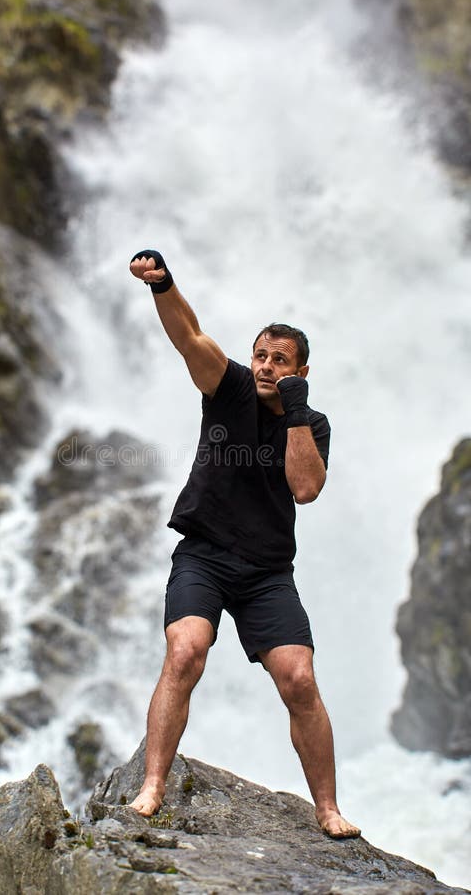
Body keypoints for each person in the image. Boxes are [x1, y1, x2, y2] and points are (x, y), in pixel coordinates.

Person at [127, 249, 360, 840]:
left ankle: (328, 809)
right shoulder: (227, 388)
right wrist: (163, 285)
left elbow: (306, 488)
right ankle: (152, 786)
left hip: (265, 573)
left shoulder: (311, 424)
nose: (263, 365)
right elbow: (190, 337)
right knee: (185, 652)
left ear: (301, 371)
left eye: (279, 360)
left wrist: (296, 408)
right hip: (203, 554)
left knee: (300, 679)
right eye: (260, 354)